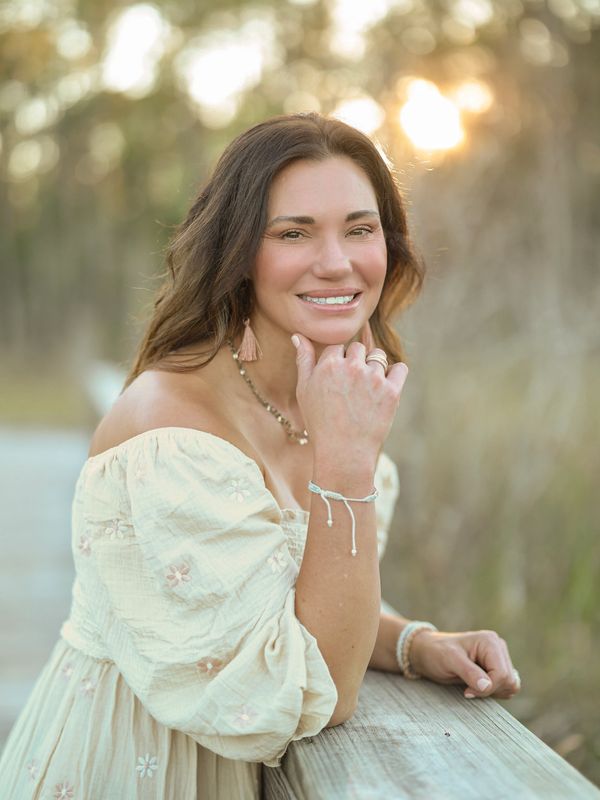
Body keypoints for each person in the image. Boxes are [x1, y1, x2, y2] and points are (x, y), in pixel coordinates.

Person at [0, 112, 521, 799]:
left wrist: (412, 645)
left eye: (360, 229)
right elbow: (320, 690)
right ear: (239, 253)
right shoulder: (171, 436)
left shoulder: (326, 403)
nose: (335, 261)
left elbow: (284, 608)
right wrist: (346, 463)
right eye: (293, 233)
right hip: (139, 768)